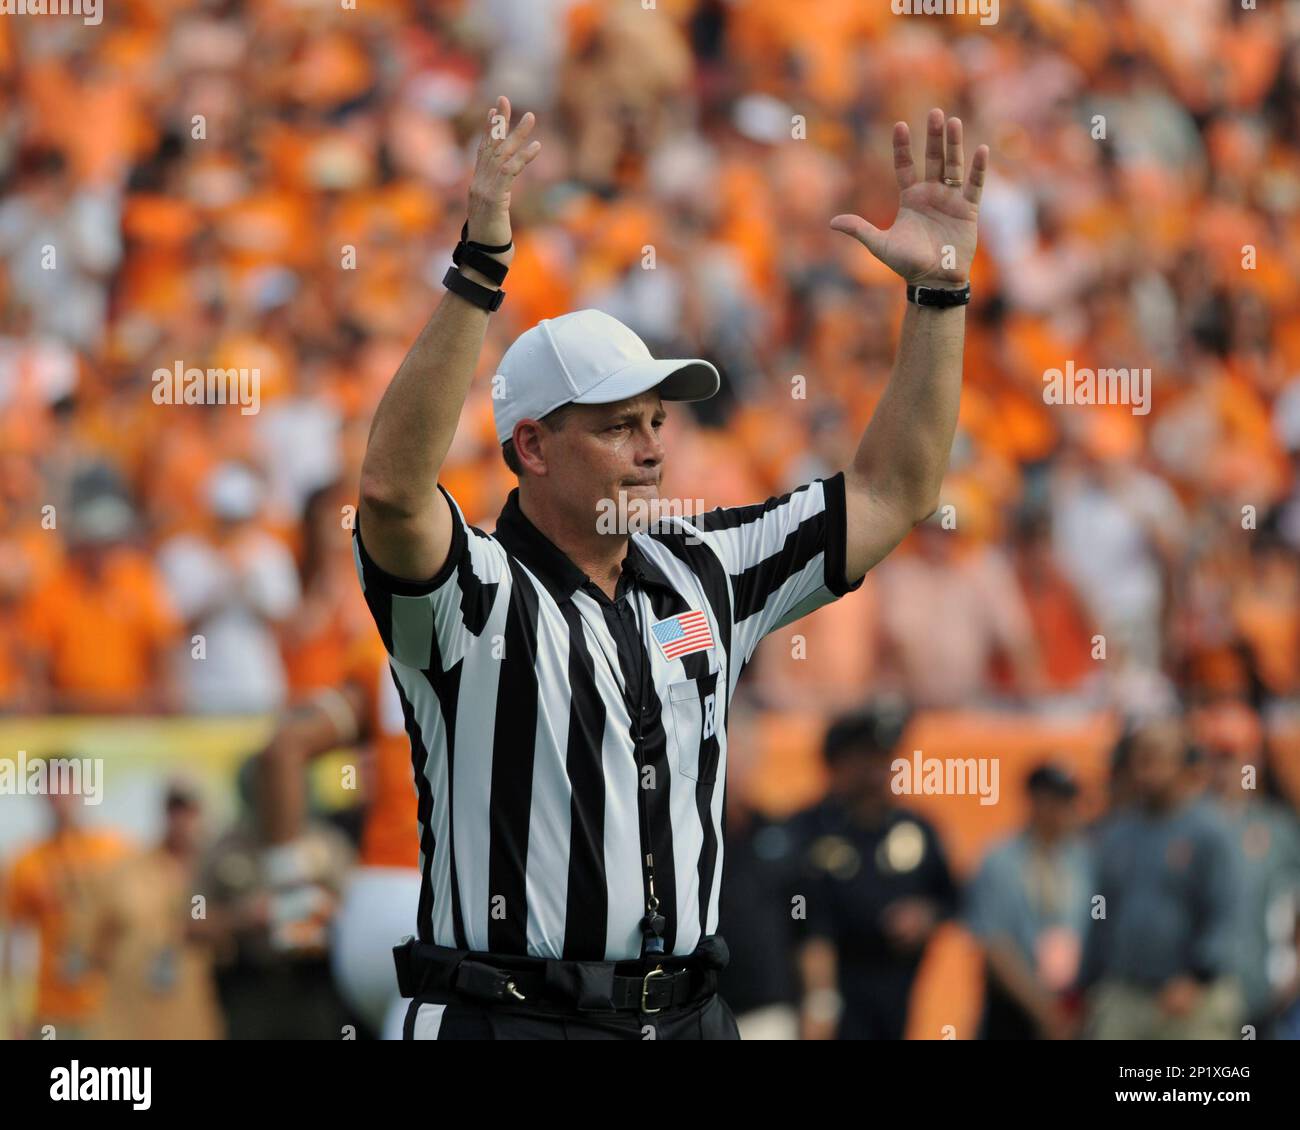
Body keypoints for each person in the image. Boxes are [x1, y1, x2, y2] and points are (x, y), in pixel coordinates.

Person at [354, 94, 986, 1040]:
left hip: (688, 1017)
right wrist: (480, 270)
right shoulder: (476, 596)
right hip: (511, 1020)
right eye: (617, 426)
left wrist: (937, 298)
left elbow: (893, 489)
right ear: (531, 446)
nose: (652, 449)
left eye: (657, 421)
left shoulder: (706, 568)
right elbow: (394, 494)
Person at [258, 630, 421, 1039]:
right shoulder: (532, 638)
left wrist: (293, 902)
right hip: (446, 909)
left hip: (376, 906)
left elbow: (284, 748)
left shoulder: (386, 652)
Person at [794, 707, 958, 1040]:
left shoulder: (915, 827)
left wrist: (927, 914)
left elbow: (951, 895)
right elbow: (797, 919)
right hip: (826, 997)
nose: (878, 772)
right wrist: (819, 999)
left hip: (896, 991)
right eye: (867, 759)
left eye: (886, 758)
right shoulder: (805, 830)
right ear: (838, 764)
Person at [1080, 716, 1245, 1039]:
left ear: (1183, 765)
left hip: (1190, 998)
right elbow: (1100, 914)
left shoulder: (1208, 831)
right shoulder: (1117, 834)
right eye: (1139, 758)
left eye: (1155, 757)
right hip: (1125, 991)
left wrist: (1198, 977)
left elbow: (1226, 912)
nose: (1144, 768)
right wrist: (1085, 982)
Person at [965, 763, 1093, 1040]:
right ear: (1034, 800)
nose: (1059, 810)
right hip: (1014, 1004)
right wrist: (1043, 1010)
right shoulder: (1000, 861)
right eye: (1051, 800)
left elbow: (1098, 919)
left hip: (1073, 1001)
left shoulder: (1084, 859)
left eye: (1066, 801)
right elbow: (994, 942)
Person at [91, 780, 224, 1040]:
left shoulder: (219, 876)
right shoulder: (128, 871)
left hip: (197, 1025)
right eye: (174, 809)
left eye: (190, 810)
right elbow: (95, 949)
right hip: (130, 1028)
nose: (182, 820)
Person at [1, 786, 133, 1039]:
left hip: (107, 1009)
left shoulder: (113, 850)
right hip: (51, 1011)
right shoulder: (28, 861)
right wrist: (15, 1015)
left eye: (66, 789)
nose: (60, 799)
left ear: (82, 790)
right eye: (52, 791)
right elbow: (13, 939)